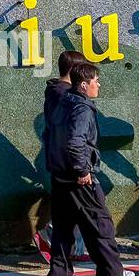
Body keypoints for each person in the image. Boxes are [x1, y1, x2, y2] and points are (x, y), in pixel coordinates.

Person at [44, 62, 136, 276]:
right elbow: (75, 142)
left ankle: (60, 271)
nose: (99, 84)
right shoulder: (82, 108)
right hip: (78, 176)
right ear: (84, 85)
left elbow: (52, 136)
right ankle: (111, 273)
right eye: (95, 81)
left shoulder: (63, 101)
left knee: (63, 224)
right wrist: (82, 170)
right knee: (99, 222)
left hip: (59, 174)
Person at [33, 49, 89, 261]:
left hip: (58, 158)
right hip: (69, 160)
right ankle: (52, 233)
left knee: (71, 203)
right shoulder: (67, 96)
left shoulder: (55, 90)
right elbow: (71, 133)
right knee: (76, 203)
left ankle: (75, 248)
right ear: (75, 70)